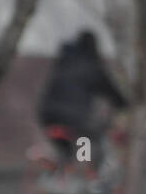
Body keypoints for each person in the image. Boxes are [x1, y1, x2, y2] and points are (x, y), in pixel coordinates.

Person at [36, 30, 128, 182]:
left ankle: (58, 178)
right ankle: (88, 177)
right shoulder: (92, 66)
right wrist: (124, 104)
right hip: (73, 117)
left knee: (66, 150)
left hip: (47, 115)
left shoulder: (64, 61)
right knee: (93, 137)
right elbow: (111, 91)